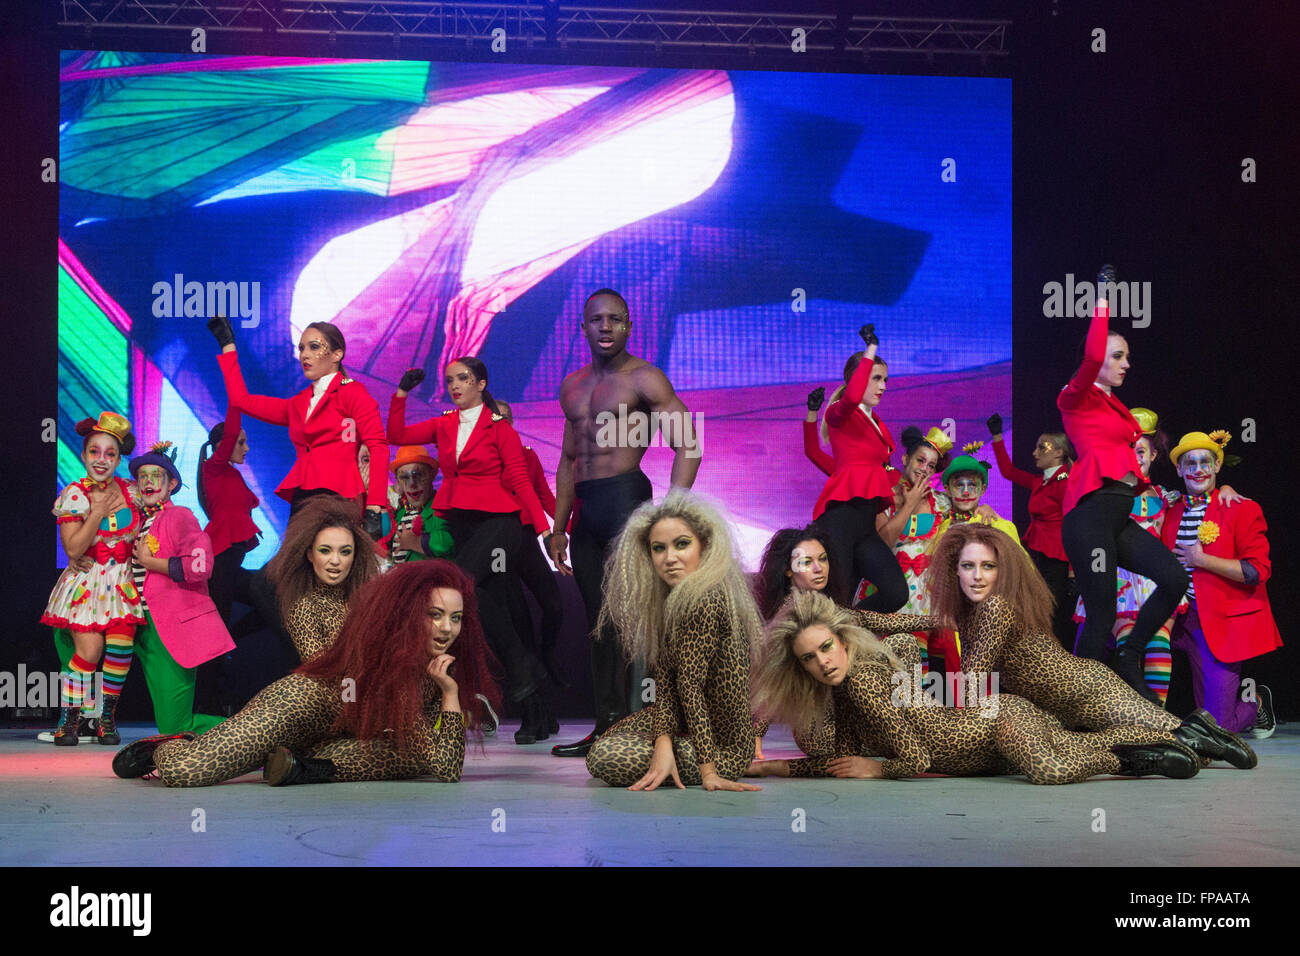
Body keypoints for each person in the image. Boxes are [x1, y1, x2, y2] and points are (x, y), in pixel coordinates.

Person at [856, 523, 1258, 770]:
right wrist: (848, 617)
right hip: (1066, 706)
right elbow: (905, 620)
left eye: (987, 566)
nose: (977, 576)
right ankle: (1201, 729)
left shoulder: (996, 608)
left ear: (1003, 570)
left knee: (1177, 741)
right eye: (968, 566)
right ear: (953, 571)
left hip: (1087, 691)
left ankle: (1204, 728)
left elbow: (971, 682)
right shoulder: (968, 612)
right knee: (1178, 746)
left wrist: (918, 700)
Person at [747, 590, 1201, 784]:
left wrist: (878, 769)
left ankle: (1131, 759)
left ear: (842, 640)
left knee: (1050, 769)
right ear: (800, 667)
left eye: (826, 647)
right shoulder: (844, 690)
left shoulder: (865, 680)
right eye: (809, 658)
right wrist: (772, 769)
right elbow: (838, 763)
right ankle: (1188, 739)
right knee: (1068, 747)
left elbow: (917, 759)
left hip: (994, 722)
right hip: (985, 755)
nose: (823, 661)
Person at [112, 561, 497, 787]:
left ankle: (306, 766)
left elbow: (445, 768)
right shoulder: (388, 652)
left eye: (456, 618)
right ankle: (172, 744)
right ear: (412, 613)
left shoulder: (438, 668)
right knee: (185, 772)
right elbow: (442, 762)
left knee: (414, 758)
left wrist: (449, 693)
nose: (447, 628)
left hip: (338, 738)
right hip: (300, 707)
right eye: (435, 614)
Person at [547, 289, 703, 758]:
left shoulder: (644, 377)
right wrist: (558, 527)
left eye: (616, 319)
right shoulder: (572, 386)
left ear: (629, 326)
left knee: (635, 618)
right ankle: (607, 725)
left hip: (626, 500)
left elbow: (688, 444)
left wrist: (673, 512)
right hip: (587, 511)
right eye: (597, 319)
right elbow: (568, 460)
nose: (606, 327)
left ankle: (647, 725)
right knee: (600, 623)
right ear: (584, 327)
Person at [388, 356, 556, 744]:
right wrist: (402, 392)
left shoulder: (499, 429)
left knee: (458, 585)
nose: (455, 385)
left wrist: (545, 532)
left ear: (481, 384)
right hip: (461, 522)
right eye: (450, 380)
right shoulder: (444, 423)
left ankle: (526, 681)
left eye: (463, 379)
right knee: (491, 608)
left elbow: (519, 478)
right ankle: (533, 695)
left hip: (500, 524)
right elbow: (396, 433)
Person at [1057, 265, 1188, 699]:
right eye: (1118, 355)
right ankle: (1076, 707)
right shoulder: (1075, 396)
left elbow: (1136, 457)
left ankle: (1129, 655)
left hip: (1116, 519)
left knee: (1173, 577)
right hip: (1089, 520)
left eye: (1127, 356)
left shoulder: (1118, 408)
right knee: (1100, 614)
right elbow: (1092, 356)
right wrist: (1102, 299)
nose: (1126, 363)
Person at [585, 493, 761, 791]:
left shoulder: (704, 598)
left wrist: (709, 772)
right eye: (658, 548)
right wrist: (663, 741)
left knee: (603, 756)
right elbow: (667, 685)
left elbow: (692, 691)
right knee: (609, 742)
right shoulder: (673, 600)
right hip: (686, 724)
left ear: (704, 545)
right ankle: (670, 747)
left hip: (722, 749)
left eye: (682, 544)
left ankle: (689, 760)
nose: (670, 558)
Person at [206, 316, 388, 529]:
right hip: (304, 497)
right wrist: (228, 346)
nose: (305, 355)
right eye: (302, 348)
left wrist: (375, 506)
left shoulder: (352, 391)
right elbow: (241, 400)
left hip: (341, 496)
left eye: (314, 347)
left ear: (337, 354)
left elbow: (378, 447)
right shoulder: (298, 403)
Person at [1163, 431, 1282, 737]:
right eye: (1190, 462)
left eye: (1206, 461)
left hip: (1220, 624)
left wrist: (1202, 560)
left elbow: (1257, 571)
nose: (1198, 469)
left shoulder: (1241, 508)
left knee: (1217, 729)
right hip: (1178, 623)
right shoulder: (1170, 509)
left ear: (1217, 467)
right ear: (1179, 469)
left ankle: (1255, 703)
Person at [41, 412, 143, 745]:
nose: (102, 460)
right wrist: (97, 511)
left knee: (121, 646)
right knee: (90, 649)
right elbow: (73, 549)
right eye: (94, 452)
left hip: (120, 585)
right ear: (84, 455)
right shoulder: (75, 494)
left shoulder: (130, 492)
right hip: (86, 583)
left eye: (110, 453)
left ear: (118, 458)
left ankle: (106, 718)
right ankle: (68, 720)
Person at [1071, 410, 1183, 704]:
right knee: (1125, 649)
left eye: (1142, 451)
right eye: (1130, 450)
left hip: (1151, 587)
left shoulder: (1164, 496)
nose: (1136, 456)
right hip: (1118, 583)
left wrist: (1226, 488)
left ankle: (1157, 716)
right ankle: (1129, 720)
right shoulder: (1108, 494)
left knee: (1159, 647)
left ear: (1154, 454)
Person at [125, 441, 234, 736]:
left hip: (172, 630)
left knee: (176, 724)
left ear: (172, 483)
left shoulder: (179, 516)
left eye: (156, 475)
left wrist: (151, 562)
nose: (147, 482)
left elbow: (200, 567)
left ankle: (258, 738)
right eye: (142, 476)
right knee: (168, 725)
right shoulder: (139, 522)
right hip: (143, 630)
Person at [811, 325, 909, 615]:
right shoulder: (840, 412)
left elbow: (879, 466)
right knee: (832, 602)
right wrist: (871, 350)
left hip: (866, 525)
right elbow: (851, 398)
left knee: (895, 592)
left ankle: (849, 625)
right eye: (876, 378)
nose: (883, 386)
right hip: (840, 521)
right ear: (857, 379)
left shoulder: (877, 424)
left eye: (885, 380)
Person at [494, 399, 567, 688]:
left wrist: (566, 526)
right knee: (517, 617)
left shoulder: (527, 456)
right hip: (497, 543)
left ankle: (547, 655)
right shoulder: (479, 461)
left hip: (526, 537)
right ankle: (532, 677)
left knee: (554, 605)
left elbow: (544, 498)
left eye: (508, 418)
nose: (505, 424)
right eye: (498, 420)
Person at [869, 425, 954, 671]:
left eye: (931, 465)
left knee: (919, 667)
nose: (924, 469)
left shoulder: (941, 503)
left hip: (923, 597)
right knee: (885, 662)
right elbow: (883, 542)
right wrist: (909, 504)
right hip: (889, 589)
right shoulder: (884, 498)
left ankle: (916, 705)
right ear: (905, 459)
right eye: (920, 460)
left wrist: (983, 509)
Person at [987, 413, 1075, 648]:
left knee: (1052, 615)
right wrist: (997, 437)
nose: (1035, 453)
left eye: (1041, 448)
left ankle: (1055, 666)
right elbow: (1008, 472)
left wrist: (1073, 570)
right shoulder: (1041, 482)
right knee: (1041, 611)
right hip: (1040, 553)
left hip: (1059, 557)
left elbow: (1075, 525)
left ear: (1058, 452)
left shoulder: (1066, 482)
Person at [264, 495, 379, 663]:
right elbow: (323, 670)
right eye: (325, 550)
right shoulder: (303, 608)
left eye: (345, 551)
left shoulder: (363, 601)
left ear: (355, 556)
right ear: (310, 554)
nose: (335, 561)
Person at [377, 446, 454, 564]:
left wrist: (418, 542)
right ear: (398, 480)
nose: (412, 483)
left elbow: (452, 541)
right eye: (404, 477)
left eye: (418, 475)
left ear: (432, 474)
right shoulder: (400, 513)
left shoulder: (442, 507)